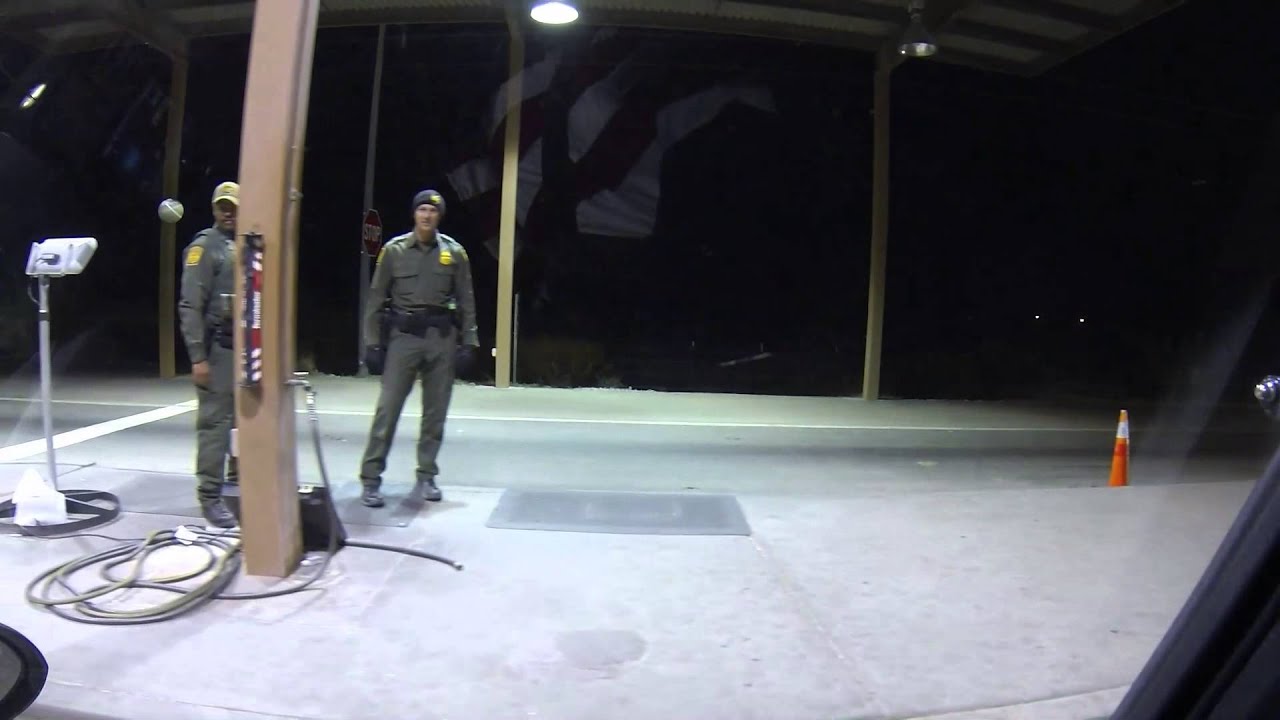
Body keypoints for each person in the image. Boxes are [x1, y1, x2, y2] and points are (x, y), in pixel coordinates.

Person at [358, 189, 479, 508]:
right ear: (414, 214)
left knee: (435, 413)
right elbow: (375, 297)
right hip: (403, 338)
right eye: (422, 210)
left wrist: (470, 342)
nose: (427, 216)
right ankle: (371, 479)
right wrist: (371, 342)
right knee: (388, 409)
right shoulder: (394, 251)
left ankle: (426, 474)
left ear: (439, 216)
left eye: (433, 211)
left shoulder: (454, 253)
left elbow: (466, 299)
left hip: (441, 338)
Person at [177, 181, 241, 528]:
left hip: (246, 349)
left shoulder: (248, 244)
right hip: (218, 350)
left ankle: (238, 479)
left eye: (233, 206)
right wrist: (198, 358)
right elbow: (190, 305)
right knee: (216, 424)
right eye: (223, 206)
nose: (228, 212)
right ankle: (210, 496)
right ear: (215, 209)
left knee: (244, 421)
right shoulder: (205, 248)